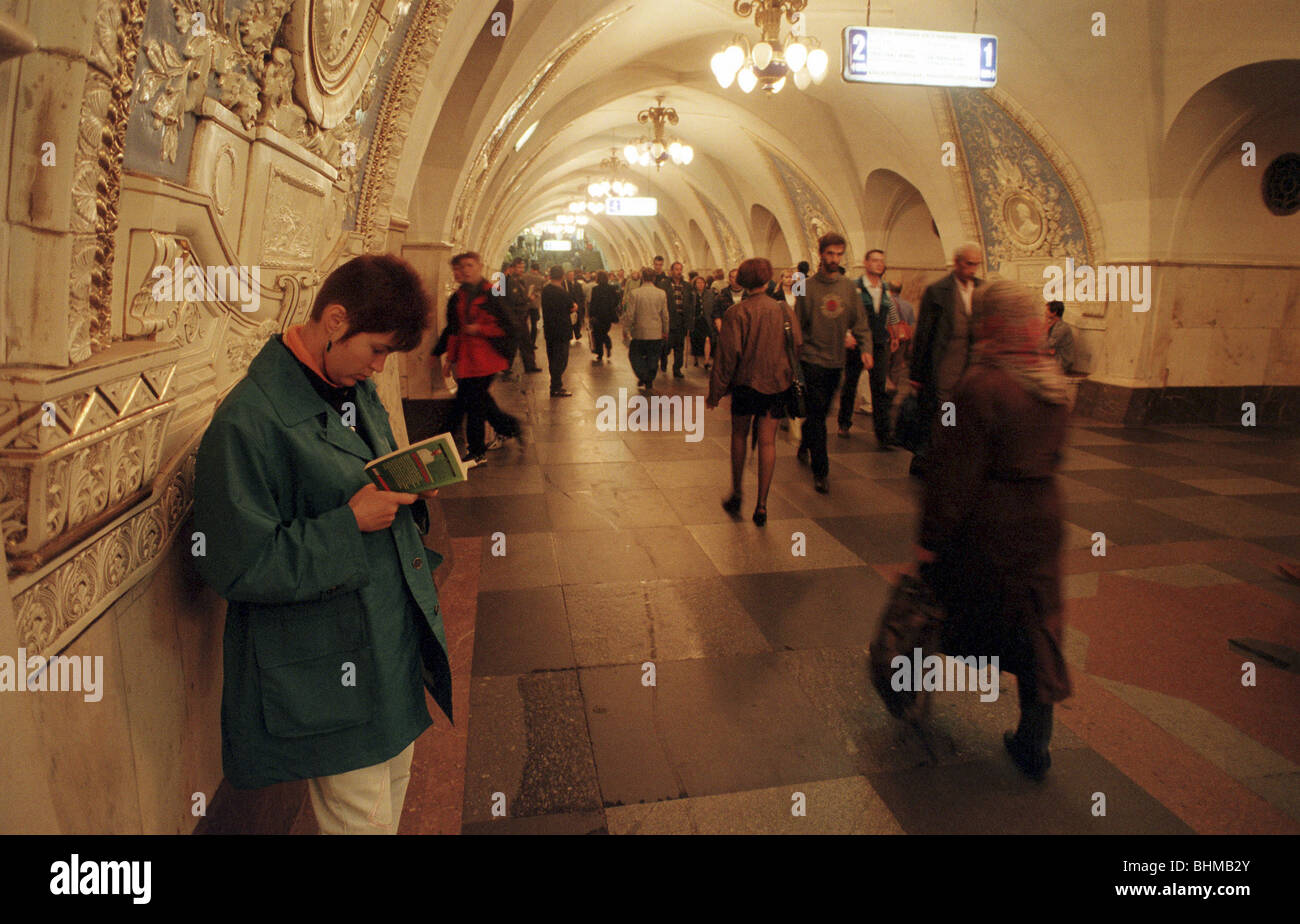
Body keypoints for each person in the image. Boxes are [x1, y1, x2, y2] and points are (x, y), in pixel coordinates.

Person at [193, 254, 452, 834]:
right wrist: (348, 523)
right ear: (335, 320)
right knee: (360, 823)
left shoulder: (351, 387)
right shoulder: (248, 420)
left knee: (391, 795)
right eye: (378, 349)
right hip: (326, 663)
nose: (380, 368)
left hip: (387, 637)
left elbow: (367, 471)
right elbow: (232, 563)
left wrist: (411, 490)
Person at [914, 279, 1071, 780]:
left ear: (989, 323)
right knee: (1035, 627)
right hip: (1042, 517)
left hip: (989, 523)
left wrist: (929, 542)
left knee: (941, 607)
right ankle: (1034, 740)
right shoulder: (1052, 379)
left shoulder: (980, 385)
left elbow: (953, 477)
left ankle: (911, 696)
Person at [709, 258, 800, 527]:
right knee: (768, 441)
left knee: (739, 435)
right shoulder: (783, 310)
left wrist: (716, 392)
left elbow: (727, 356)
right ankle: (762, 504)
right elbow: (798, 344)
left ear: (745, 281)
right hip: (776, 384)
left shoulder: (737, 313)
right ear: (768, 278)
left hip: (746, 385)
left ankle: (737, 492)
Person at [794, 232, 875, 494]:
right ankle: (821, 471)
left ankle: (806, 440)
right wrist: (799, 354)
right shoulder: (806, 286)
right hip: (812, 359)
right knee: (818, 415)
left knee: (822, 412)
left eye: (839, 254)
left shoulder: (848, 287)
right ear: (821, 254)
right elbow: (798, 325)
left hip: (836, 361)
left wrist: (865, 347)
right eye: (830, 254)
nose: (834, 259)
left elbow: (860, 321)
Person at [432, 252, 524, 463]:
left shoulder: (492, 294)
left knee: (470, 405)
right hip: (467, 360)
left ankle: (475, 451)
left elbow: (510, 326)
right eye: (459, 267)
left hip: (487, 359)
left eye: (469, 265)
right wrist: (449, 359)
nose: (464, 270)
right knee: (480, 402)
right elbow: (454, 330)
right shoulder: (457, 298)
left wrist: (480, 329)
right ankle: (510, 428)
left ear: (479, 267)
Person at [909, 243, 984, 477]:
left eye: (976, 264)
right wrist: (917, 374)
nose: (973, 269)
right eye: (969, 264)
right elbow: (923, 334)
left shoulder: (982, 289)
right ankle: (941, 456)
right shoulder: (938, 291)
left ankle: (944, 453)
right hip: (946, 363)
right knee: (946, 410)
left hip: (971, 364)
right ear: (957, 262)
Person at [840, 249, 896, 447]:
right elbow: (844, 312)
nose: (879, 264)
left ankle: (883, 433)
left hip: (880, 342)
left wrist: (894, 332)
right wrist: (847, 334)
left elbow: (889, 312)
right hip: (857, 341)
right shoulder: (854, 286)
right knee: (851, 381)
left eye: (882, 261)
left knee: (879, 386)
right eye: (875, 260)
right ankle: (844, 422)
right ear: (865, 263)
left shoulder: (885, 287)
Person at [624, 267, 669, 390]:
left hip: (639, 331)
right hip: (655, 332)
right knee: (653, 357)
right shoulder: (661, 293)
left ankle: (643, 375)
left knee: (635, 355)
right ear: (654, 278)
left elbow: (630, 314)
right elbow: (665, 315)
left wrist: (626, 329)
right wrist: (665, 330)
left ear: (642, 278)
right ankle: (649, 379)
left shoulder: (635, 293)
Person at [541, 265, 576, 397]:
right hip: (562, 330)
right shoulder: (562, 292)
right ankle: (556, 386)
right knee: (561, 359)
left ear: (550, 276)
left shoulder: (546, 290)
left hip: (549, 330)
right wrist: (575, 306)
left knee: (552, 358)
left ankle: (554, 384)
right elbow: (571, 307)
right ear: (562, 277)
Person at [503, 258, 541, 377]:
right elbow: (514, 299)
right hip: (514, 316)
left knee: (525, 342)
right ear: (512, 268)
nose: (521, 270)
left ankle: (529, 365)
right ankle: (506, 367)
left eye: (523, 267)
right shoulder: (509, 282)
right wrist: (528, 299)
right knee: (513, 343)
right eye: (519, 267)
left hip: (521, 315)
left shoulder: (519, 280)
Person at [659, 261, 693, 378]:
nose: (679, 272)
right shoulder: (664, 285)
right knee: (667, 345)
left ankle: (677, 369)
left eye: (680, 269)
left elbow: (690, 304)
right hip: (669, 319)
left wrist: (689, 321)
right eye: (676, 269)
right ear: (671, 271)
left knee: (679, 346)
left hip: (681, 320)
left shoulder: (687, 286)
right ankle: (663, 358)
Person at [588, 270, 620, 364]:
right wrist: (612, 307)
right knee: (604, 332)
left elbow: (593, 303)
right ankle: (608, 345)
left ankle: (600, 353)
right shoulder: (611, 288)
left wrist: (591, 315)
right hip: (608, 315)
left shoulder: (595, 289)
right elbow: (617, 299)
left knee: (598, 334)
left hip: (598, 315)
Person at [1044, 300, 1076, 372]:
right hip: (1056, 359)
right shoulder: (1055, 325)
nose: (1045, 312)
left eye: (1047, 310)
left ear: (1054, 312)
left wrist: (1046, 329)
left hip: (1062, 363)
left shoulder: (1061, 327)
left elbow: (1047, 345)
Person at [690, 274, 715, 368]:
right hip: (696, 320)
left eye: (702, 283)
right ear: (695, 284)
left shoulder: (710, 293)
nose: (700, 285)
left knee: (707, 338)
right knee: (695, 340)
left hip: (706, 319)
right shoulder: (692, 294)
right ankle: (696, 358)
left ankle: (706, 360)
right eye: (698, 283)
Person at [523, 261, 546, 347]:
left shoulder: (524, 276)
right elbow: (542, 291)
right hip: (535, 304)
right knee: (534, 324)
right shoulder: (541, 279)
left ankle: (524, 342)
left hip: (525, 303)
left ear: (531, 268)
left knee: (524, 323)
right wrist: (536, 295)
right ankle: (532, 343)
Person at [566, 269, 587, 341]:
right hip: (570, 304)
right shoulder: (565, 284)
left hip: (578, 304)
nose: (571, 276)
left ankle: (577, 333)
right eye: (570, 275)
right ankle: (570, 334)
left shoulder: (577, 284)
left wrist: (581, 303)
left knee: (578, 320)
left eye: (572, 275)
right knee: (571, 320)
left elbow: (581, 294)